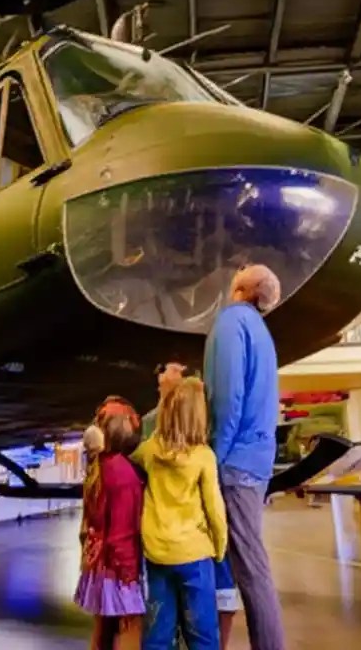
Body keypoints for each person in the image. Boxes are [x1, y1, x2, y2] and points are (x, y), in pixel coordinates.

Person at [205, 264, 286, 650]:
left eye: (240, 269)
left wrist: (212, 460)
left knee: (250, 568)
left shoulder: (231, 321)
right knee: (249, 564)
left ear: (243, 286)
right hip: (256, 461)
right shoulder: (263, 333)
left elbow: (228, 399)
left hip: (234, 463)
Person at [143, 361, 239, 649]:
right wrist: (219, 547)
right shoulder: (203, 456)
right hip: (196, 556)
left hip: (158, 553)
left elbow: (137, 452)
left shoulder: (151, 450)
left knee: (158, 634)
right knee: (202, 635)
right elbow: (214, 508)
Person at [74, 397, 146, 650]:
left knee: (103, 632)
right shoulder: (124, 473)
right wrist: (129, 574)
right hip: (117, 567)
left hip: (98, 564)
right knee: (125, 631)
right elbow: (123, 530)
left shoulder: (98, 465)